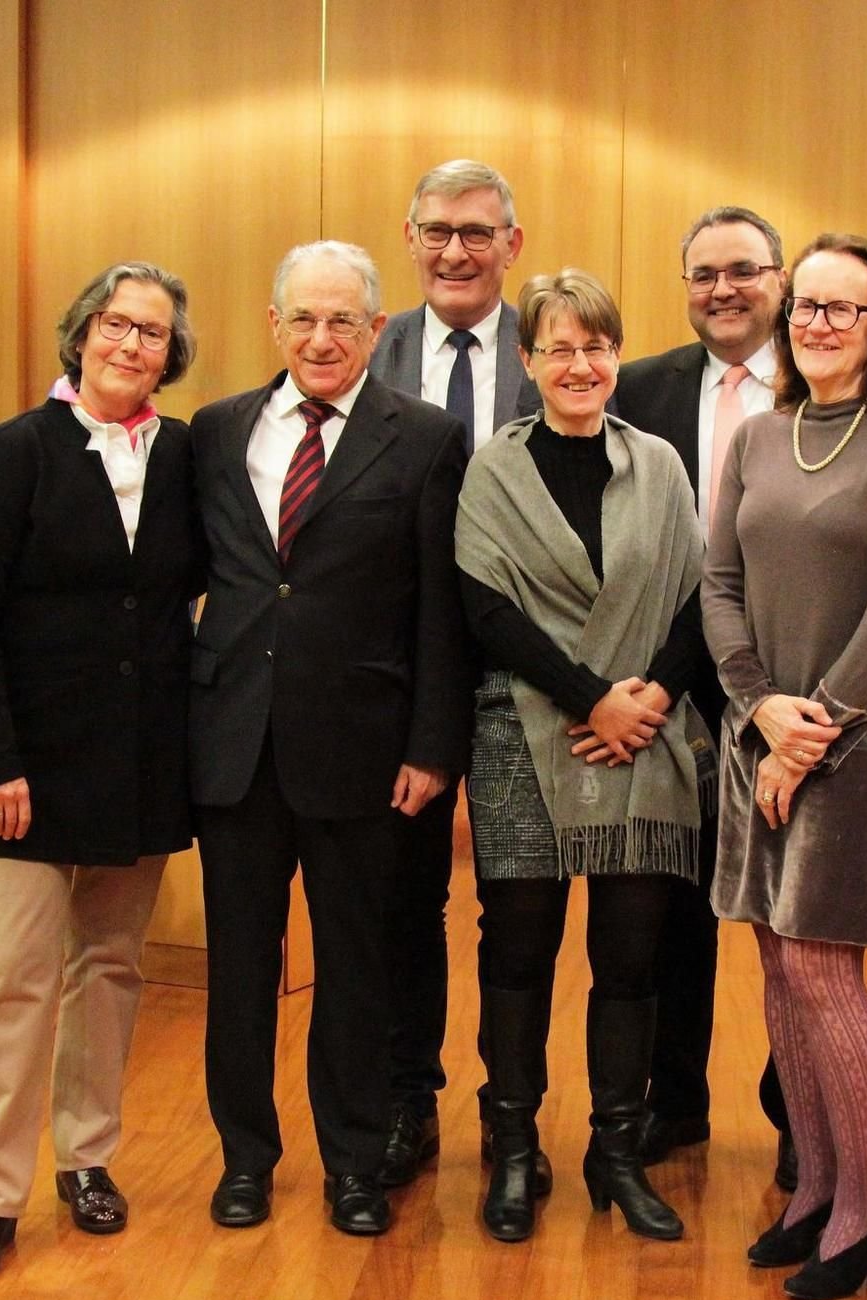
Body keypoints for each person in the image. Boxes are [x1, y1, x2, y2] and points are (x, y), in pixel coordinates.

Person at [188, 241, 473, 1239]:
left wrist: (434, 746)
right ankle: (244, 1158)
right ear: (273, 324)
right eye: (302, 319)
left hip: (364, 749)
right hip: (235, 748)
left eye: (342, 321)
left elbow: (443, 608)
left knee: (357, 968)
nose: (320, 338)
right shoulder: (216, 432)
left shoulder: (426, 439)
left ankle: (355, 1159)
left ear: (375, 330)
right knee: (239, 968)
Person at [703, 234, 867, 1300]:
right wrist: (760, 707)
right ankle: (811, 1186)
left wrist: (813, 730)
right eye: (802, 306)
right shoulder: (759, 437)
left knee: (820, 967)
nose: (813, 323)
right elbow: (716, 581)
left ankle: (863, 1206)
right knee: (773, 963)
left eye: (838, 310)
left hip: (865, 743)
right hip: (758, 734)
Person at [0, 261, 202, 1284]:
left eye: (150, 333)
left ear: (169, 355)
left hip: (139, 760)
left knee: (112, 965)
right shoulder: (17, 452)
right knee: (12, 975)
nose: (130, 345)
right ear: (81, 333)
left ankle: (86, 1157)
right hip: (27, 769)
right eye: (115, 325)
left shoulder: (181, 456)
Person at [455, 268, 708, 1244]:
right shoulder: (493, 469)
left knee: (630, 957)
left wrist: (644, 697)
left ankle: (615, 1149)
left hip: (641, 739)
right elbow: (485, 608)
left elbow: (695, 596)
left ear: (615, 357)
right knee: (517, 950)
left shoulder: (661, 465)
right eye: (557, 346)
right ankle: (514, 1147)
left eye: (595, 344)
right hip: (525, 732)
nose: (579, 363)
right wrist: (589, 697)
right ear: (526, 362)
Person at [366, 158, 540, 1188]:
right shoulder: (365, 351)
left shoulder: (554, 348)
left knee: (517, 904)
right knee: (405, 900)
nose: (455, 251)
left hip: (526, 675)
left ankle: (512, 1114)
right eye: (437, 230)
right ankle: (404, 1100)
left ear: (511, 244)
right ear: (409, 234)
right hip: (402, 676)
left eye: (477, 233)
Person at [613, 204, 795, 1185]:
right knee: (668, 912)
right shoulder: (636, 389)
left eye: (741, 270)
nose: (721, 290)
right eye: (701, 274)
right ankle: (671, 1100)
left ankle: (794, 1112)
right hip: (668, 693)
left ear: (779, 276)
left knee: (787, 915)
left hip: (786, 689)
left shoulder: (821, 385)